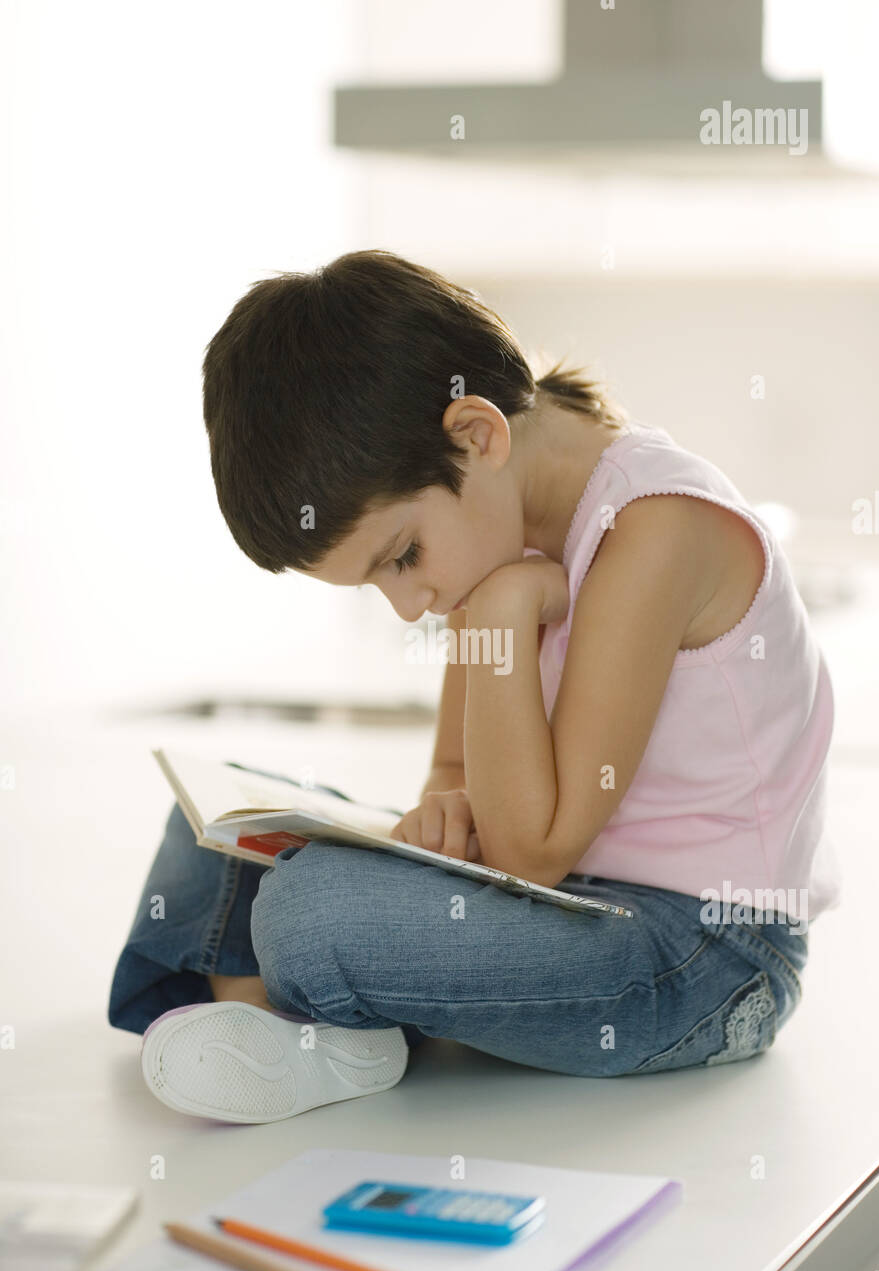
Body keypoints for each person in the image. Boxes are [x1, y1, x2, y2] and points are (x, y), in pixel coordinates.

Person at [109, 249, 840, 1123]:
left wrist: (499, 616)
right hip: (557, 904)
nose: (411, 604)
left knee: (308, 908)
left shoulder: (652, 534)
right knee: (216, 829)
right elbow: (454, 772)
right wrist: (445, 815)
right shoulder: (494, 536)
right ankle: (277, 1020)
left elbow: (534, 847)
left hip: (699, 959)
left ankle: (307, 1025)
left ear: (476, 435)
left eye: (402, 558)